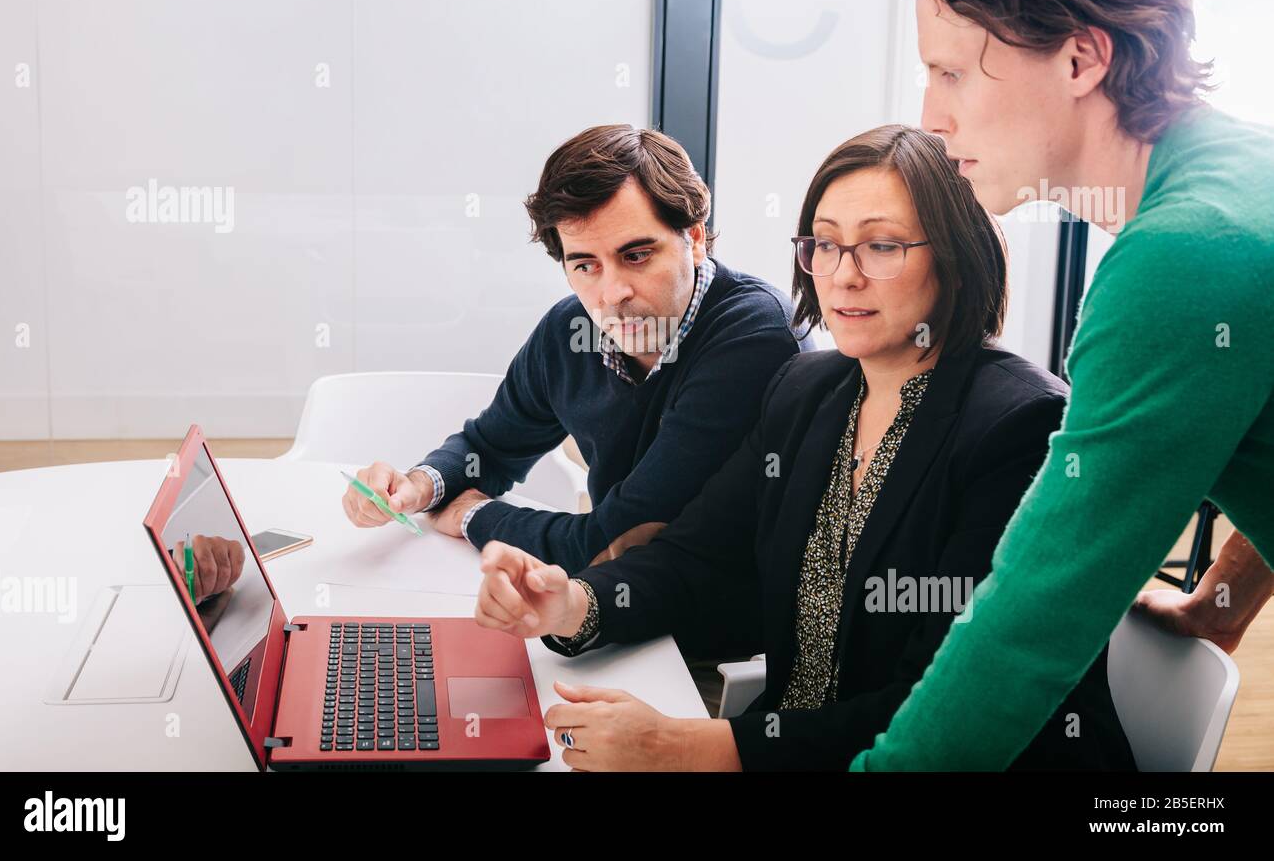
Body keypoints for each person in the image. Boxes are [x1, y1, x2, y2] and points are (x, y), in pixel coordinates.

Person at [471, 125, 1136, 770]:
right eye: (824, 244)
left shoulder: (1020, 427)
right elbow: (694, 555)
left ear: (955, 255)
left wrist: (684, 749)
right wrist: (575, 605)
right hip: (792, 745)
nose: (843, 276)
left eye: (881, 246)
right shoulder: (806, 390)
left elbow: (943, 710)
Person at [851, 0, 1274, 771]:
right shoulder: (1236, 177)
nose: (931, 115)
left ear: (1081, 57)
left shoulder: (1186, 260)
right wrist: (1219, 607)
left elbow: (1033, 623)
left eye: (954, 74)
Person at [340, 124, 811, 573]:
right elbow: (490, 448)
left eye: (636, 255)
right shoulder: (570, 328)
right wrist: (416, 487)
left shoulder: (756, 337)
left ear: (692, 238)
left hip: (721, 641)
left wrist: (472, 518)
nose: (612, 294)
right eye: (585, 265)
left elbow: (619, 540)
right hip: (615, 611)